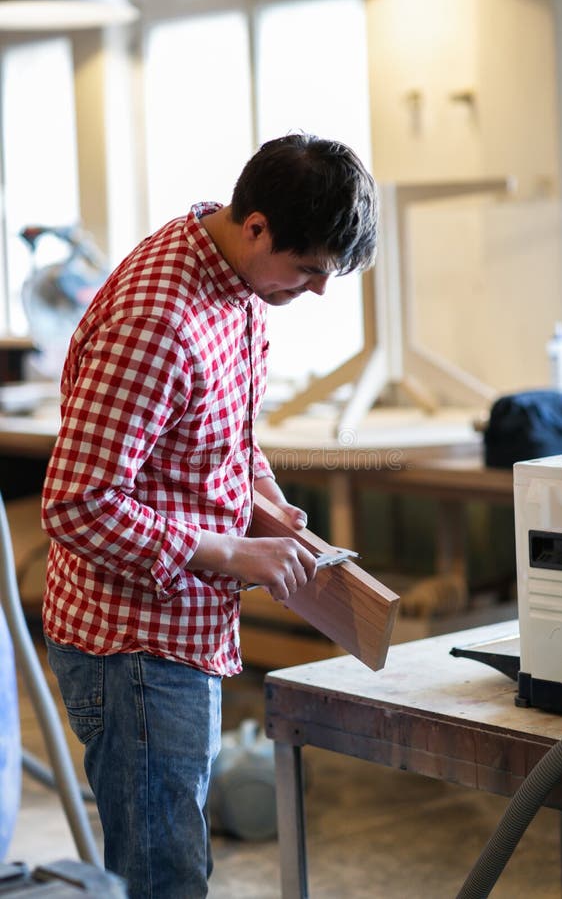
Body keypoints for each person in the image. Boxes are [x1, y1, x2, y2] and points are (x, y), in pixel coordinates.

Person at [41, 132, 378, 898]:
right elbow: (76, 504)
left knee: (170, 860)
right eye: (308, 270)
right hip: (132, 647)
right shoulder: (158, 319)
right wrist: (232, 552)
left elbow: (220, 436)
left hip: (183, 631)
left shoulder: (240, 281)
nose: (317, 291)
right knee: (164, 876)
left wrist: (263, 503)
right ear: (256, 224)